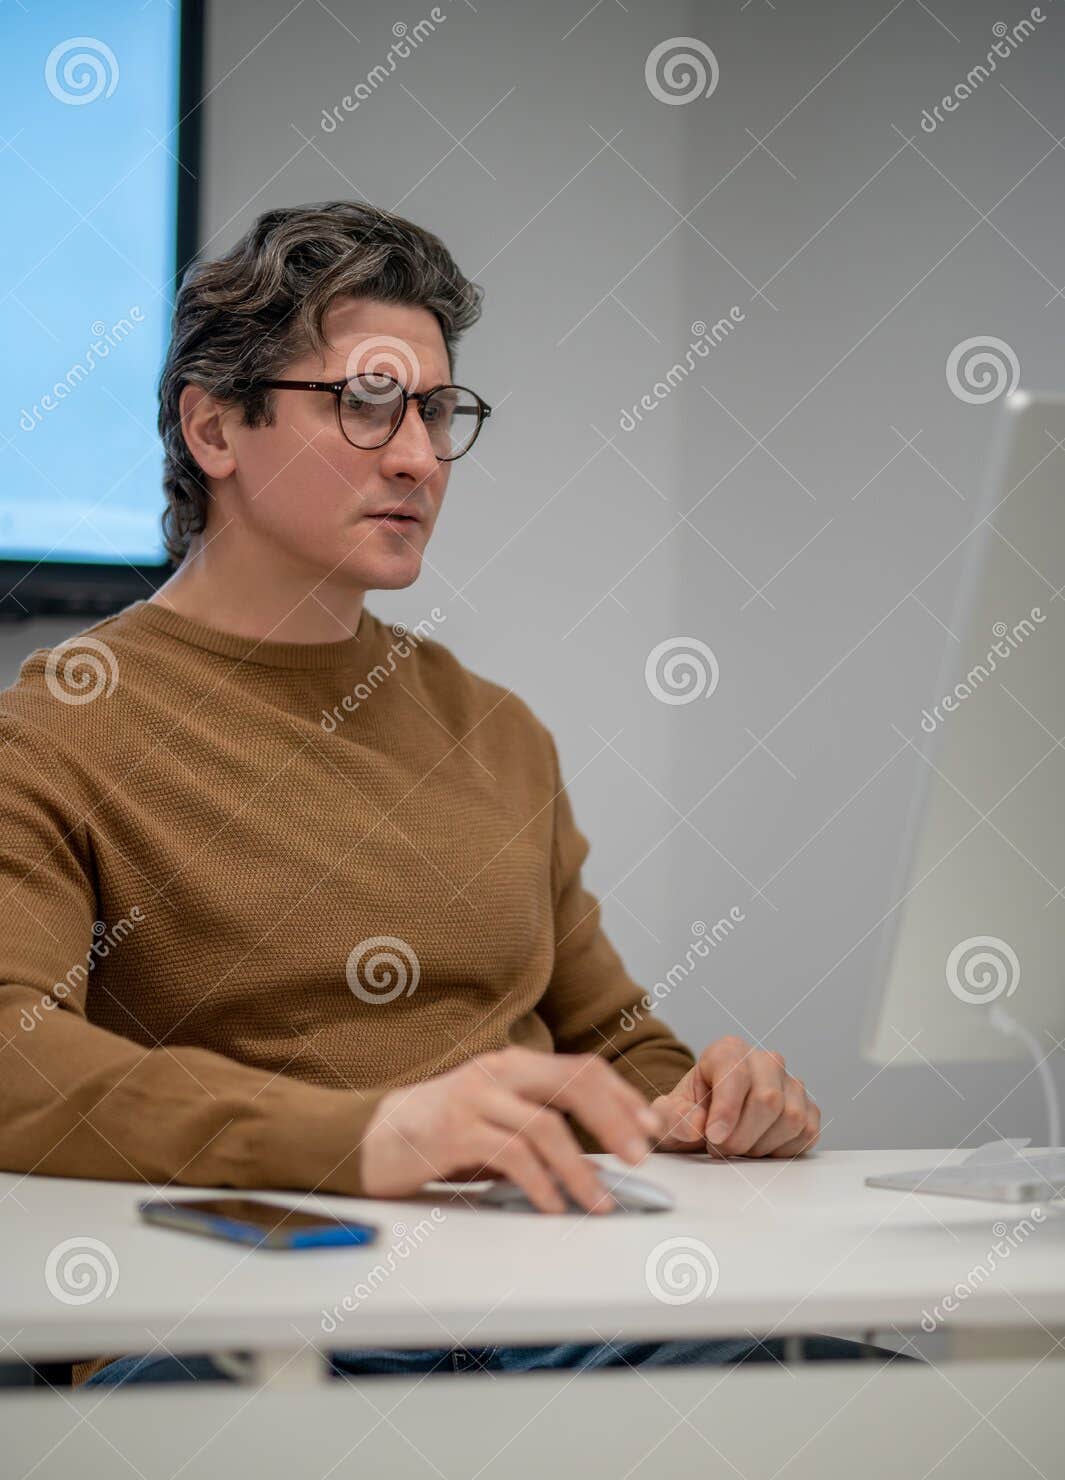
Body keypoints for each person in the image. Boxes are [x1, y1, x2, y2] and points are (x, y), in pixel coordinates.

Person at [0, 201, 873, 1391]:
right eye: (366, 403)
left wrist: (709, 1106)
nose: (417, 456)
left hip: (543, 1295)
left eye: (437, 410)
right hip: (243, 1319)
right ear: (214, 428)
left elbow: (613, 1044)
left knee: (863, 1396)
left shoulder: (496, 731)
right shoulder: (59, 726)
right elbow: (13, 1060)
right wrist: (367, 1136)